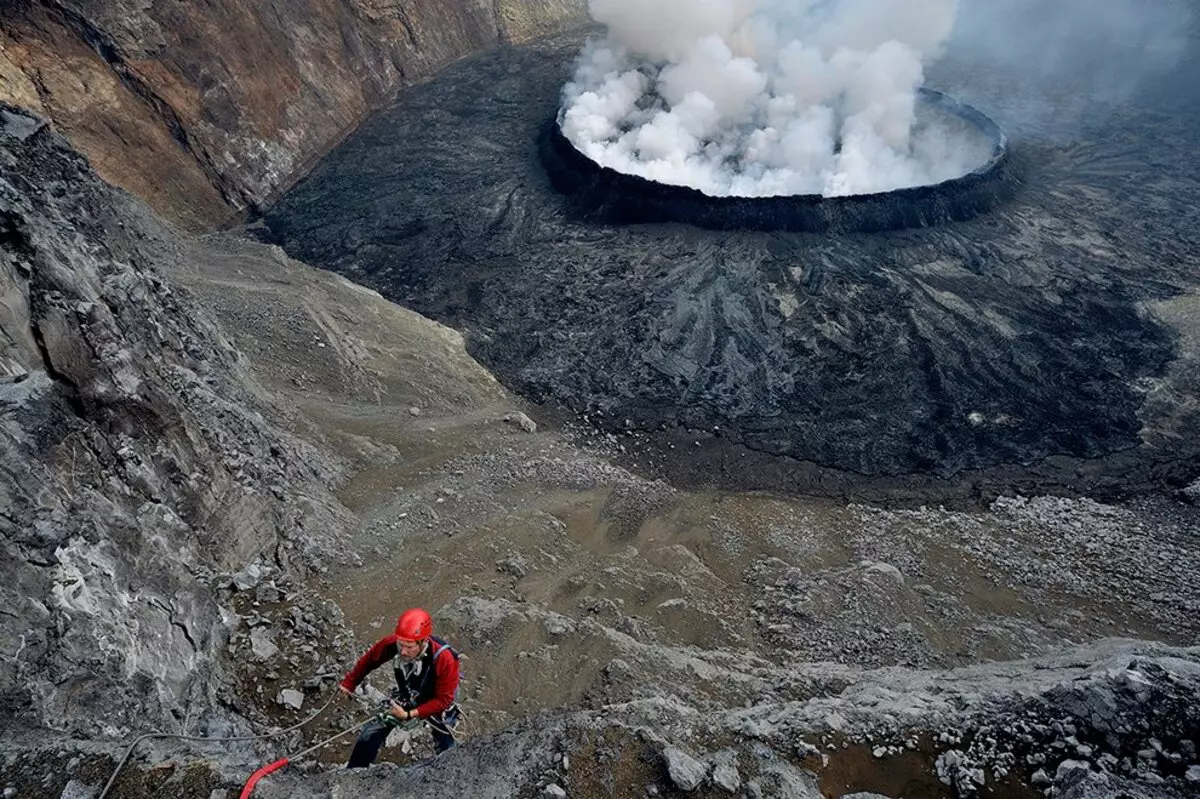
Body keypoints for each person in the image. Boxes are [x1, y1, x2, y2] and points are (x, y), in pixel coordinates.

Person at [339, 607, 461, 767]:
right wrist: (349, 683)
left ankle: (448, 768)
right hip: (410, 692)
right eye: (401, 644)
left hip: (438, 697)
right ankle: (355, 772)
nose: (403, 651)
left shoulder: (445, 659)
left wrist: (409, 714)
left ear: (423, 641)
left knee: (444, 736)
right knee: (370, 733)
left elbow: (443, 700)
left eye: (409, 647)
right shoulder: (393, 644)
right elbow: (369, 660)